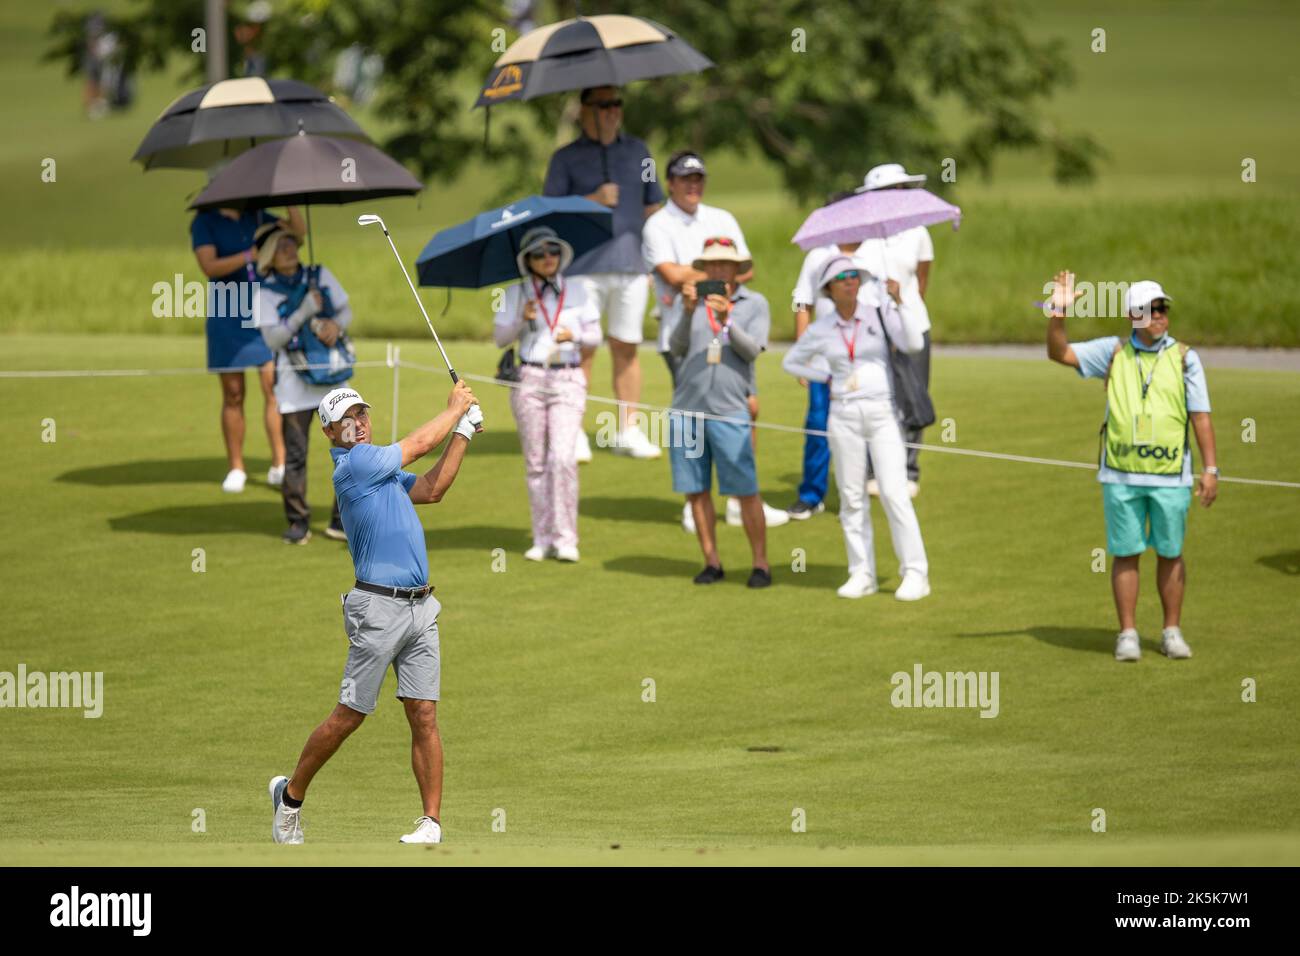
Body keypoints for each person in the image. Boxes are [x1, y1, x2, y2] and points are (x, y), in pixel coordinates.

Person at [268, 382, 483, 845]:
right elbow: (422, 444)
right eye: (347, 418)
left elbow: (431, 489)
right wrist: (455, 408)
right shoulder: (357, 465)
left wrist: (463, 431)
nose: (357, 422)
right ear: (329, 432)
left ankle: (431, 822)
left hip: (421, 606)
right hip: (378, 608)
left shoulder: (380, 469)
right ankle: (290, 798)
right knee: (350, 714)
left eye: (362, 414)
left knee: (423, 712)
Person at [1045, 273, 1218, 661]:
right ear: (1132, 315)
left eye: (1163, 309)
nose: (1159, 316)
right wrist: (1057, 311)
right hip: (1120, 474)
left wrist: (1211, 469)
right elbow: (1060, 353)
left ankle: (1171, 631)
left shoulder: (1185, 358)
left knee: (1170, 552)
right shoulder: (1113, 351)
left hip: (1171, 474)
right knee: (1126, 552)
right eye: (1150, 310)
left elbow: (1201, 416)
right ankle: (1128, 634)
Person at [642, 152, 789, 532]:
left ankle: (741, 500)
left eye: (698, 178)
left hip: (730, 328)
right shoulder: (658, 224)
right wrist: (717, 268)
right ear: (670, 182)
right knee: (693, 420)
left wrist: (710, 270)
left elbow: (748, 267)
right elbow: (672, 274)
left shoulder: (722, 217)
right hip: (684, 332)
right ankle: (695, 502)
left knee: (745, 410)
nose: (693, 185)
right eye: (684, 178)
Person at [782, 255, 931, 601]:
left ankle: (915, 573)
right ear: (829, 289)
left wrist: (900, 301)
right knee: (851, 496)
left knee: (894, 492)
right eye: (842, 277)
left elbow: (914, 343)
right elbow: (792, 361)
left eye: (854, 275)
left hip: (881, 412)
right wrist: (828, 376)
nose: (850, 280)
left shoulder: (879, 313)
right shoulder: (821, 328)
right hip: (843, 413)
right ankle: (861, 572)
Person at [543, 85, 664, 461]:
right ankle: (573, 429)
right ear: (585, 111)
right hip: (582, 267)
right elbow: (549, 210)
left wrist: (653, 259)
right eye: (603, 105)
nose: (612, 111)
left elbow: (653, 207)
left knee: (627, 346)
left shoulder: (639, 152)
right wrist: (591, 200)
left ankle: (627, 430)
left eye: (617, 104)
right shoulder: (565, 158)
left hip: (631, 265)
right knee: (583, 348)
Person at [669, 238, 772, 588]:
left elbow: (751, 351)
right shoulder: (689, 301)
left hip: (730, 410)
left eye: (724, 264)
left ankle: (760, 563)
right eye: (711, 264)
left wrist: (727, 320)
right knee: (695, 490)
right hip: (687, 410)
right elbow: (677, 348)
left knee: (745, 489)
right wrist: (685, 312)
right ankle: (711, 561)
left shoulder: (754, 304)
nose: (717, 270)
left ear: (736, 269)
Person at [494, 226, 601, 562]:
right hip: (528, 376)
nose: (547, 258)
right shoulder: (516, 292)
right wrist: (519, 320)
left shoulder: (580, 288)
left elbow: (596, 335)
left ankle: (566, 537)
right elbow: (500, 338)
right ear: (528, 260)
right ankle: (542, 537)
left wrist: (577, 335)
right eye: (539, 254)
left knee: (562, 457)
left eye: (552, 251)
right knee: (536, 462)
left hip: (567, 376)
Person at [191, 202, 305, 493]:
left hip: (263, 312)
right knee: (233, 393)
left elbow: (297, 235)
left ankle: (279, 463)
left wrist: (292, 204)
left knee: (272, 388)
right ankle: (236, 468)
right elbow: (209, 266)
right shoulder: (205, 223)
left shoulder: (257, 217)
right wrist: (249, 256)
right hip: (226, 314)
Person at [253, 222, 352, 545]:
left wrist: (335, 325)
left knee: (348, 450)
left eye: (292, 244)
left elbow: (346, 310)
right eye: (282, 247)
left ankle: (342, 519)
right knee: (295, 453)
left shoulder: (319, 275)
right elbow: (274, 337)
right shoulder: (265, 293)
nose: (291, 250)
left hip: (332, 377)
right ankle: (298, 522)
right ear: (269, 257)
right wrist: (302, 313)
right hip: (295, 384)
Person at [784, 191, 869, 520]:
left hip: (864, 358)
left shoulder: (873, 254)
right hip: (824, 358)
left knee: (863, 425)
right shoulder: (818, 255)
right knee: (819, 424)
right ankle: (811, 494)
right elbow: (802, 304)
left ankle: (856, 492)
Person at [854, 164, 936, 499]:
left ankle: (908, 470)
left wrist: (903, 309)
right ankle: (876, 470)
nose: (896, 196)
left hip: (911, 323)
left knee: (912, 393)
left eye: (899, 190)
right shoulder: (861, 235)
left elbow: (922, 280)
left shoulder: (917, 231)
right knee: (878, 396)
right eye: (888, 191)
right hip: (872, 328)